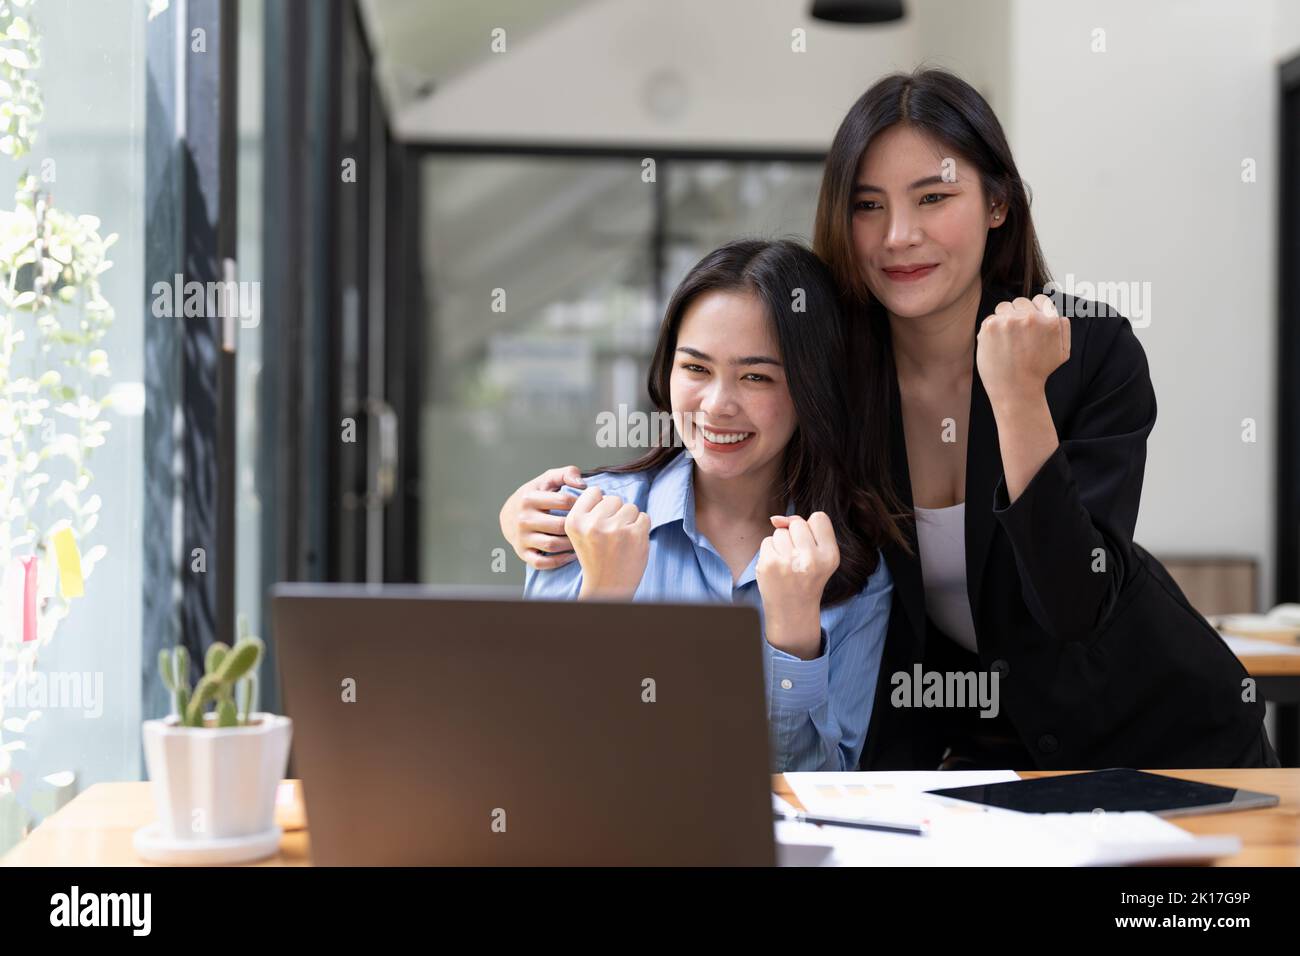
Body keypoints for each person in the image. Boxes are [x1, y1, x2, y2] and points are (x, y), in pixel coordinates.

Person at [504, 68, 1278, 771]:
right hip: (969, 753)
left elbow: (1075, 600)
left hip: (1156, 728)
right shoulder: (838, 363)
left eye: (933, 198)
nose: (897, 235)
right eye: (868, 205)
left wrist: (1015, 399)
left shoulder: (1085, 349)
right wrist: (546, 513)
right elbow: (727, 434)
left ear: (997, 202)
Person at [523, 239, 900, 772]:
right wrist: (602, 600)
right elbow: (538, 756)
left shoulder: (850, 564)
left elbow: (817, 786)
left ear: (811, 389)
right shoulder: (580, 524)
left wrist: (794, 634)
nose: (718, 405)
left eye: (756, 377)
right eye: (696, 369)